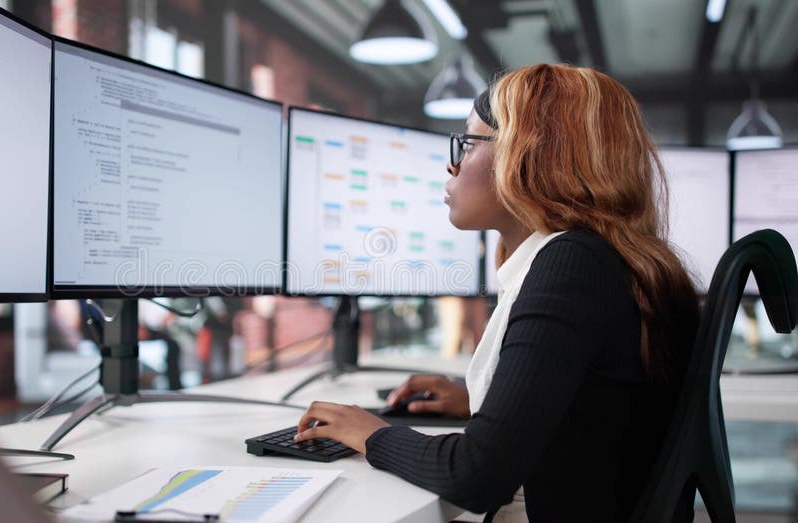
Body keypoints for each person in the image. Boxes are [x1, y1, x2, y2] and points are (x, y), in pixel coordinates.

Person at [292, 64, 700, 522]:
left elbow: (477, 475)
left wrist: (370, 433)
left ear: (529, 156)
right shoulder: (612, 260)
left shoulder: (573, 266)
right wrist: (482, 400)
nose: (453, 164)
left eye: (468, 144)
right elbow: (598, 411)